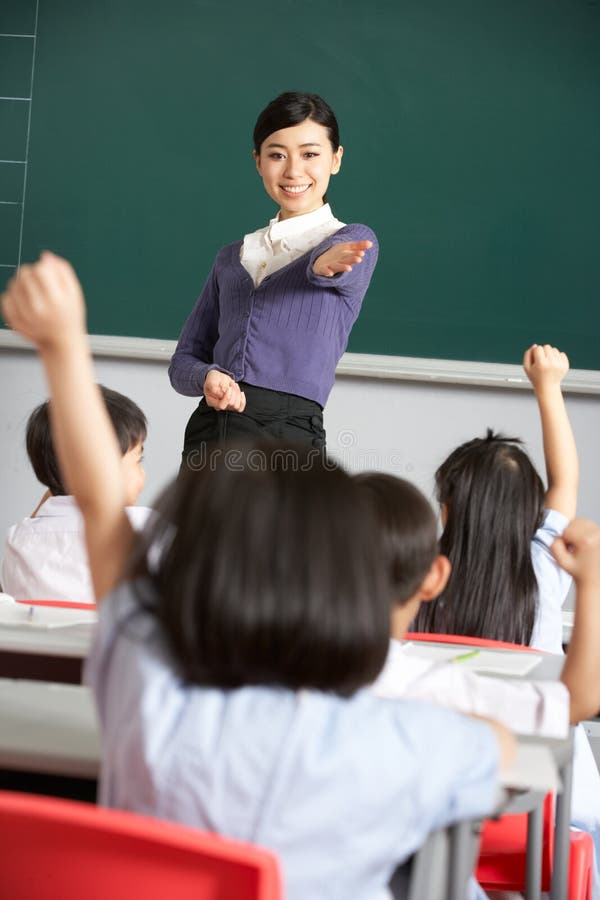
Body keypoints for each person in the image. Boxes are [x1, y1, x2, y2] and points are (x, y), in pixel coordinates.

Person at [1, 252, 515, 900]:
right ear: (350, 583)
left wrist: (63, 346)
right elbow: (497, 747)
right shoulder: (402, 742)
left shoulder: (150, 693)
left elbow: (99, 510)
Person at [410, 343, 600, 899]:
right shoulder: (543, 567)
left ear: (445, 509)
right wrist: (549, 388)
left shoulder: (423, 580)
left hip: (443, 815)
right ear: (531, 512)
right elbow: (566, 482)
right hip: (546, 819)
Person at [168, 91, 378, 465]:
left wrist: (318, 266)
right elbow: (184, 360)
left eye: (310, 154)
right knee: (203, 527)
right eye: (277, 154)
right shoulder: (232, 257)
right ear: (258, 162)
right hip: (211, 433)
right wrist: (208, 377)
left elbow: (336, 268)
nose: (293, 171)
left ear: (336, 159)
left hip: (289, 436)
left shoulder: (351, 241)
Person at [356, 471, 600, 739]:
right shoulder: (429, 686)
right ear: (434, 577)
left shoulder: (305, 676)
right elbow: (575, 703)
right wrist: (592, 582)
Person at [0, 386, 149, 604]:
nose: (142, 473)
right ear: (103, 470)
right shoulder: (143, 528)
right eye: (137, 461)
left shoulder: (17, 541)